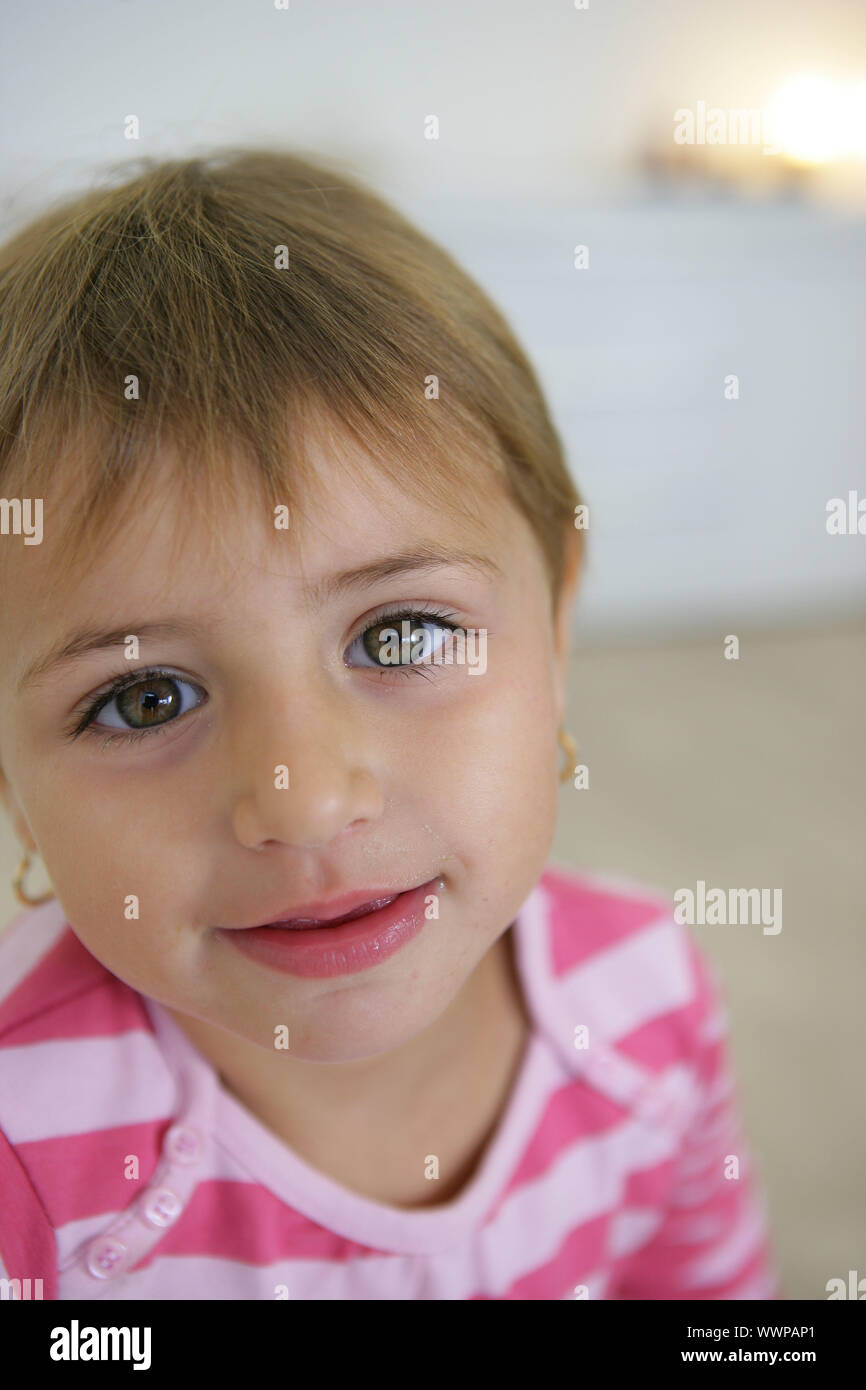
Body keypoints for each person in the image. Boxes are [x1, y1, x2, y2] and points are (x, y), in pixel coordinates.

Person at [0, 148, 779, 1299]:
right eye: (143, 697)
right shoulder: (29, 1154)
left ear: (555, 628)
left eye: (402, 634)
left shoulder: (645, 997)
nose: (306, 798)